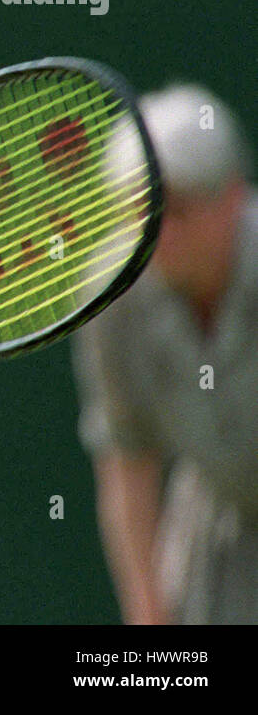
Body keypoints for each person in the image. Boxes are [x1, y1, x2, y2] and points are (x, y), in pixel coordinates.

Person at [73, 83, 258, 624]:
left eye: (176, 211)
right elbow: (126, 455)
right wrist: (147, 617)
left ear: (232, 197)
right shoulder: (111, 298)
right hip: (219, 538)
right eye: (140, 213)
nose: (158, 235)